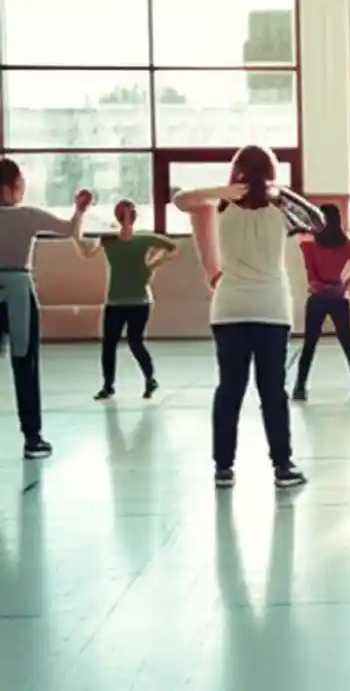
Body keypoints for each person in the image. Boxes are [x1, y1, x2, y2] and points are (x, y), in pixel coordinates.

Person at [174, 145, 322, 489]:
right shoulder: (279, 209)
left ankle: (223, 468)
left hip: (228, 309)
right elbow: (318, 221)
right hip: (271, 309)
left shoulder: (221, 204)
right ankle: (282, 467)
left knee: (230, 388)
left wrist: (221, 191)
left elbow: (181, 199)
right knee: (272, 391)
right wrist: (281, 193)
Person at [0, 158, 90, 459]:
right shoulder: (26, 215)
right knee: (25, 363)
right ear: (10, 187)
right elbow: (68, 229)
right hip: (19, 291)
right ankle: (32, 437)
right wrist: (79, 210)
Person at [73, 200, 179, 401]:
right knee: (109, 345)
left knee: (135, 341)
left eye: (129, 212)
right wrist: (76, 227)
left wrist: (153, 263)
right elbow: (86, 252)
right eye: (123, 213)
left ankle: (150, 379)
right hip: (115, 302)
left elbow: (173, 248)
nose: (126, 216)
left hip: (139, 302)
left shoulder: (144, 238)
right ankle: (108, 385)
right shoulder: (109, 240)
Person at [292, 203, 350, 402]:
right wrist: (346, 282)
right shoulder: (345, 245)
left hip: (318, 297)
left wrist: (321, 286)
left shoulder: (309, 245)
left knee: (309, 344)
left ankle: (300, 387)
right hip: (338, 295)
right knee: (347, 343)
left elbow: (311, 276)